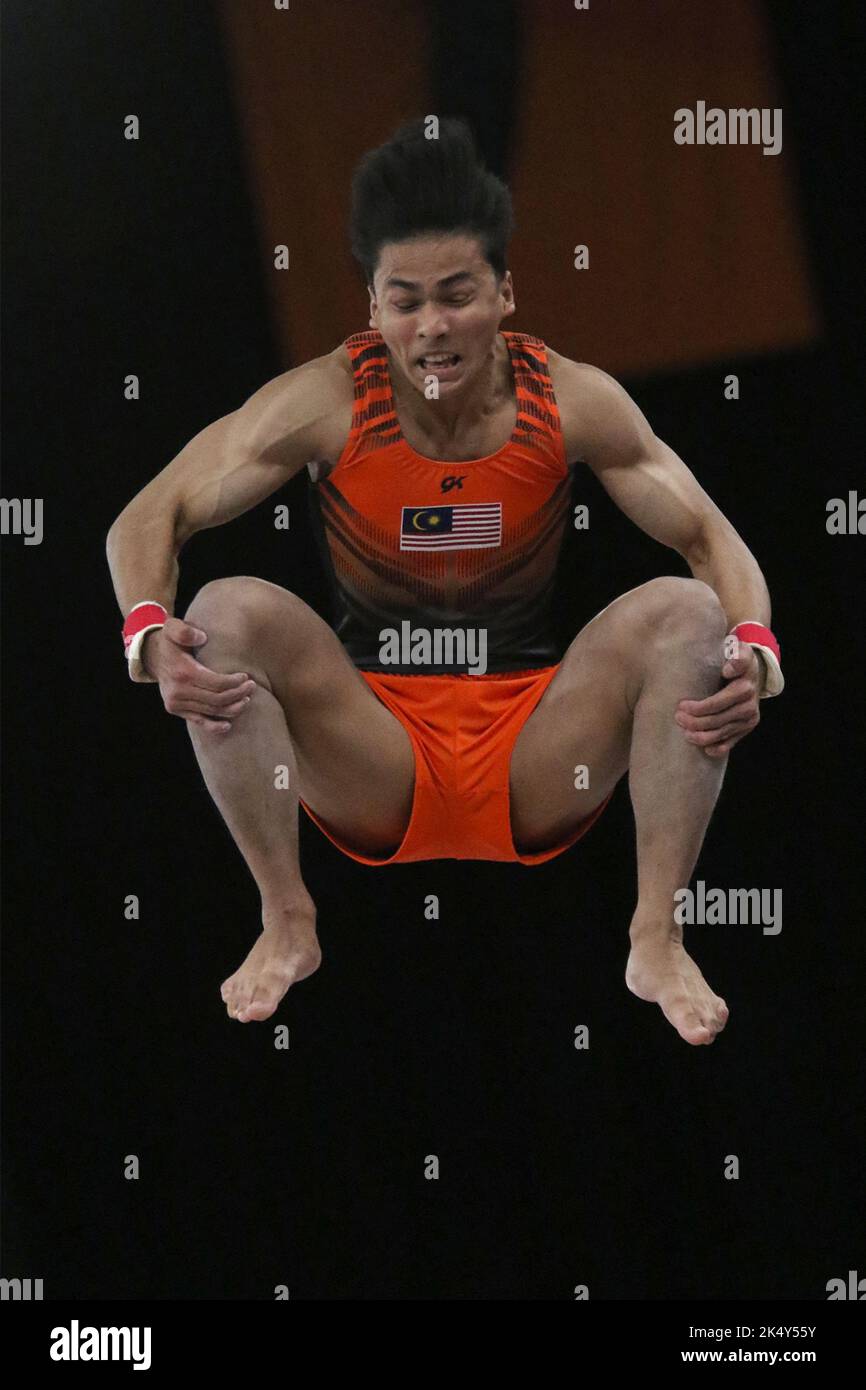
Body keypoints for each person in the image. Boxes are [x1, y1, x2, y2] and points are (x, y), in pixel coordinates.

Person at [106, 118, 782, 1042]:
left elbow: (709, 535)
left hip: (539, 752)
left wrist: (755, 651)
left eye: (458, 294)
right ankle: (286, 916)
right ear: (374, 308)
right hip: (370, 749)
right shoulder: (327, 401)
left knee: (694, 616)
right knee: (220, 615)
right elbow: (151, 513)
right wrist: (149, 635)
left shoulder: (571, 399)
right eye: (406, 300)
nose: (432, 327)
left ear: (505, 292)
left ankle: (657, 933)